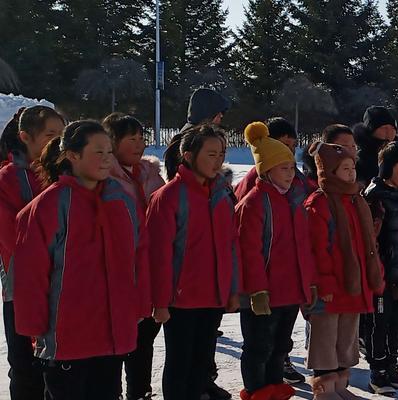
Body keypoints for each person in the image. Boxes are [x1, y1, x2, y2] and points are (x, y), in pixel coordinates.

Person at [14, 120, 150, 400]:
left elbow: (139, 257)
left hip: (112, 335)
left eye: (109, 152)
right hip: (68, 337)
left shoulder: (122, 201)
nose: (106, 159)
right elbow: (30, 275)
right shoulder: (49, 206)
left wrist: (139, 305)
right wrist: (35, 329)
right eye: (98, 152)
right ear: (72, 155)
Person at [148, 125, 241, 400]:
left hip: (213, 295)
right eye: (211, 154)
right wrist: (160, 302)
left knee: (202, 366)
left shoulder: (222, 195)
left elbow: (231, 245)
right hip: (180, 299)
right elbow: (158, 254)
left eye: (221, 154)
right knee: (180, 365)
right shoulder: (168, 197)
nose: (218, 161)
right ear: (188, 156)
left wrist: (232, 289)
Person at [235, 122, 317, 400]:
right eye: (283, 168)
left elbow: (303, 247)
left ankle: (274, 386)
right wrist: (257, 290)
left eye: (292, 168)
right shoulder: (255, 202)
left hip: (290, 290)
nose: (290, 174)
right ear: (266, 170)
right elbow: (250, 251)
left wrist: (309, 283)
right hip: (265, 291)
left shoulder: (295, 200)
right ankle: (257, 390)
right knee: (259, 345)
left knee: (281, 345)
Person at [304, 139, 383, 399]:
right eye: (345, 169)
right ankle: (323, 388)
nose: (351, 173)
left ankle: (340, 385)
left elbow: (369, 243)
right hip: (331, 287)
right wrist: (323, 282)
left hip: (353, 285)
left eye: (352, 168)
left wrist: (374, 272)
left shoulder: (355, 200)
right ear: (328, 171)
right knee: (325, 338)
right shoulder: (320, 202)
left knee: (346, 338)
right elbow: (317, 249)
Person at [102, 113, 168, 400]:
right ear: (112, 142)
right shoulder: (105, 178)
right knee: (116, 344)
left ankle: (140, 392)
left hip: (152, 268)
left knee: (144, 341)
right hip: (121, 273)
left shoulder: (151, 174)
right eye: (132, 139)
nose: (139, 145)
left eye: (142, 138)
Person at [0, 105, 63, 400]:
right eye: (51, 135)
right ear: (25, 137)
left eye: (62, 135)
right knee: (27, 369)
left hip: (66, 288)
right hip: (24, 289)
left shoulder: (67, 174)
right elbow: (13, 240)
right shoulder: (9, 178)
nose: (58, 143)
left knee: (62, 368)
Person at [362, 141, 398, 392]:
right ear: (387, 167)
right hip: (383, 275)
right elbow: (371, 240)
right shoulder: (375, 197)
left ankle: (392, 369)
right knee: (378, 326)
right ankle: (378, 373)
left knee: (395, 325)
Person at [235, 117, 310, 202]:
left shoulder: (298, 178)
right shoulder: (253, 182)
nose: (291, 151)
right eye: (285, 145)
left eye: (294, 146)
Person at [354, 106, 398, 186]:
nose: (389, 132)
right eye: (384, 128)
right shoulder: (361, 159)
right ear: (371, 130)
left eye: (392, 128)